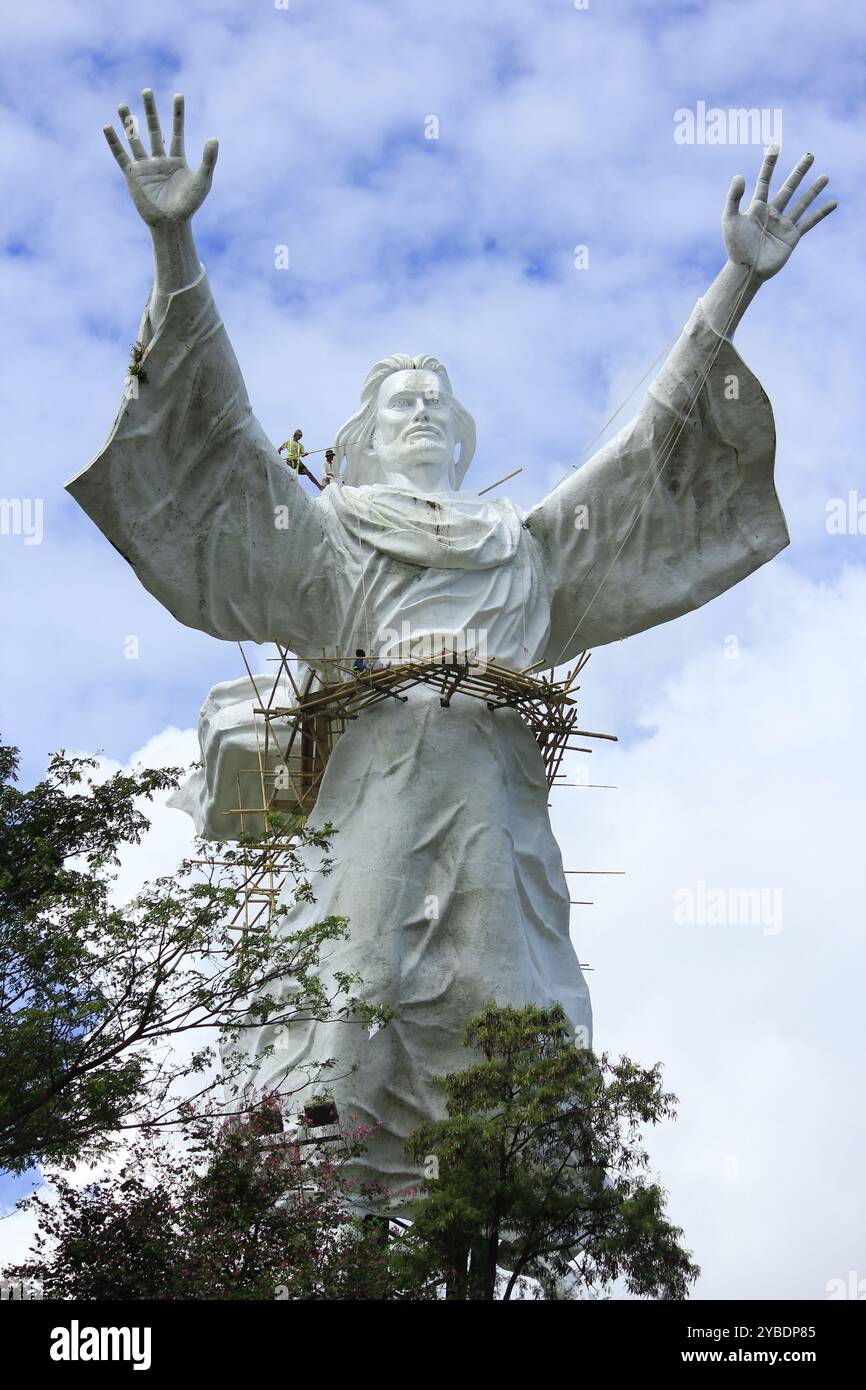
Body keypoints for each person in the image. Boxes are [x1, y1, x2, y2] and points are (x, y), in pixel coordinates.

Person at [76, 91, 836, 1196]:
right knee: (354, 994)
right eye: (400, 403)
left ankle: (494, 1199)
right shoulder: (333, 540)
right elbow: (226, 445)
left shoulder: (524, 551)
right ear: (363, 437)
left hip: (495, 799)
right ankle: (331, 1206)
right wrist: (173, 241)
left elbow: (648, 446)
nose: (423, 411)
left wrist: (738, 282)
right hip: (378, 784)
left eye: (436, 398)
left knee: (509, 1020)